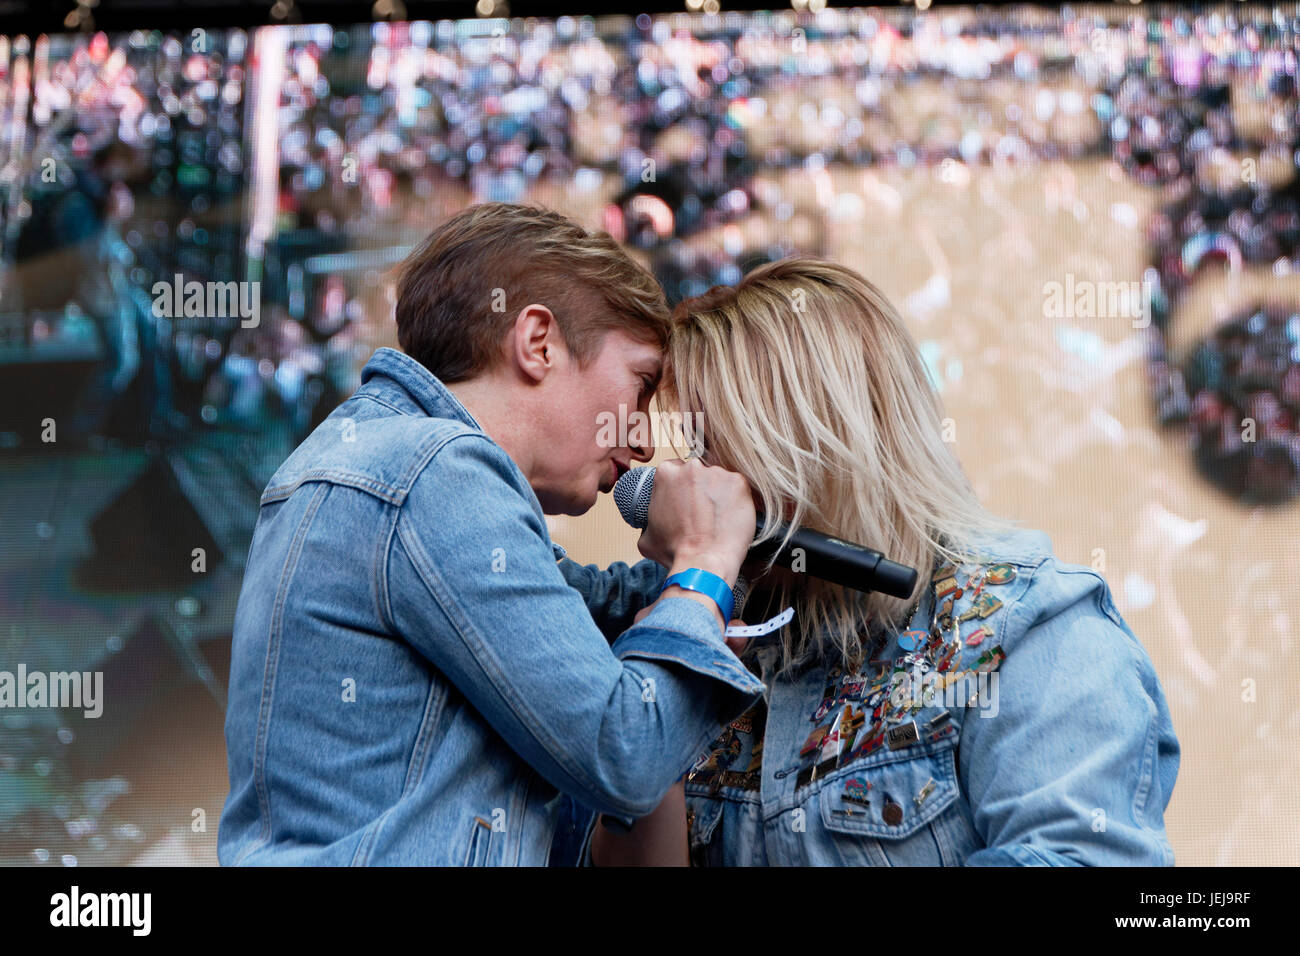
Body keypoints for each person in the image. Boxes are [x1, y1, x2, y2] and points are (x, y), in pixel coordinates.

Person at [219, 202, 765, 865]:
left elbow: (568, 617)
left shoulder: (379, 459)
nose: (644, 441)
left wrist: (724, 565)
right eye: (641, 384)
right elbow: (626, 752)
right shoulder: (435, 472)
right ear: (539, 343)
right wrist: (703, 563)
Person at [589, 256, 1180, 866]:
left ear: (801, 441)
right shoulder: (707, 633)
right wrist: (665, 684)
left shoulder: (1021, 629)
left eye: (706, 445)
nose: (686, 477)